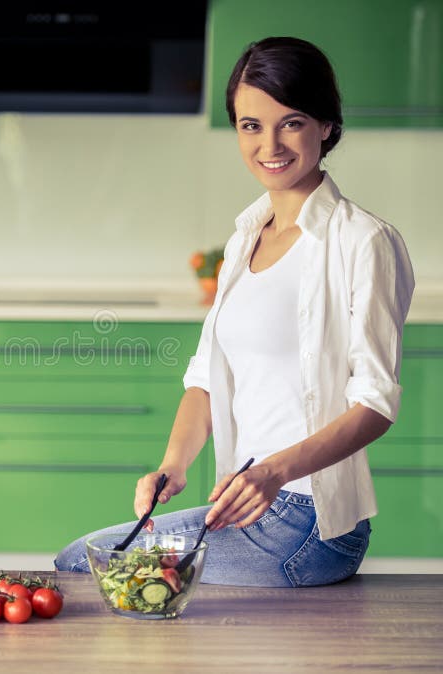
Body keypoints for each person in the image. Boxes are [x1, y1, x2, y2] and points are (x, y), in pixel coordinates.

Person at [55, 37, 415, 587]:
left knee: (94, 571)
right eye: (250, 125)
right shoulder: (245, 240)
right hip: (243, 506)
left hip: (312, 523)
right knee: (78, 560)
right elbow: (205, 378)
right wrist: (172, 468)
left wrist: (274, 472)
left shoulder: (363, 241)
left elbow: (375, 403)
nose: (269, 144)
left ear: (325, 124)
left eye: (290, 122)